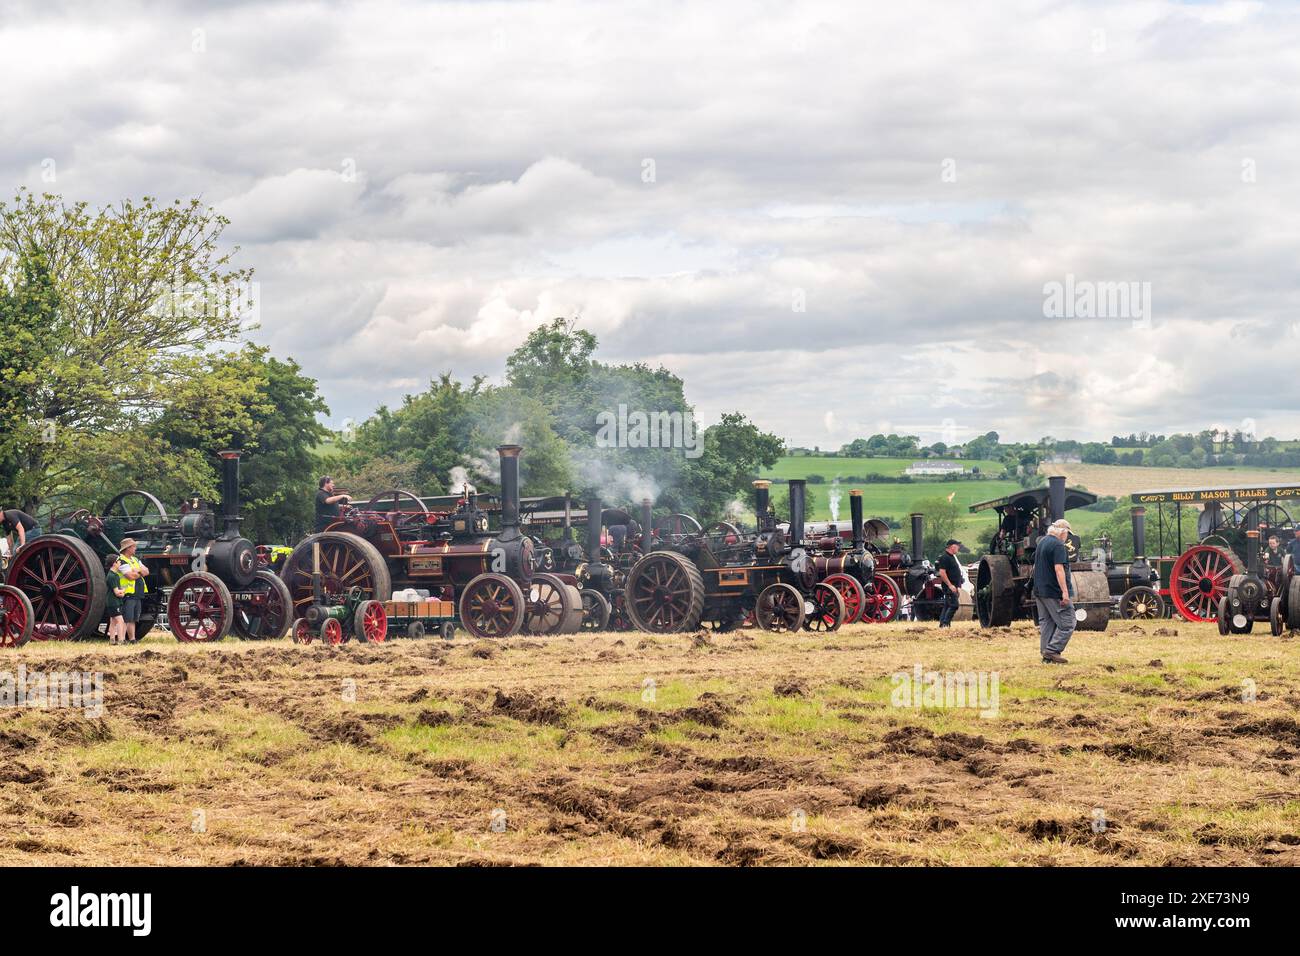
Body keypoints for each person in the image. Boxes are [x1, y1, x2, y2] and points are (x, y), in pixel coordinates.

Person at [1033, 518, 1076, 664]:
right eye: (1067, 534)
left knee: (1047, 623)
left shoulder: (1042, 542)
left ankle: (1046, 655)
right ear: (1063, 532)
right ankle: (1052, 651)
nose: (1067, 537)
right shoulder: (1058, 545)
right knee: (1068, 623)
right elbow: (1059, 569)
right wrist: (1064, 592)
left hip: (1040, 591)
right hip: (1054, 592)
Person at [117, 538, 149, 643]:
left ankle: (132, 639)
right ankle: (121, 639)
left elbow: (147, 571)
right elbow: (130, 576)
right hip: (128, 593)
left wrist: (137, 571)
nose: (135, 548)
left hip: (137, 593)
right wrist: (140, 572)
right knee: (127, 618)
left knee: (134, 618)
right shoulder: (121, 561)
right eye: (133, 546)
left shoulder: (135, 560)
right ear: (128, 548)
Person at [936, 538, 965, 628]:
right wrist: (950, 585)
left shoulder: (951, 557)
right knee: (954, 605)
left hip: (953, 586)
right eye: (957, 546)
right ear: (952, 547)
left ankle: (942, 624)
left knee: (947, 605)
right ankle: (945, 623)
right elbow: (942, 572)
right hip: (949, 586)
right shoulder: (945, 557)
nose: (958, 548)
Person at [104, 556, 127, 645]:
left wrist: (121, 592)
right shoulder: (112, 576)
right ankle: (121, 640)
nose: (120, 563)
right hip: (113, 602)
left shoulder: (115, 575)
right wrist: (123, 591)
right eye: (118, 561)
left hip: (114, 601)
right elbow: (117, 592)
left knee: (113, 622)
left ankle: (112, 640)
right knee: (120, 621)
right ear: (114, 563)